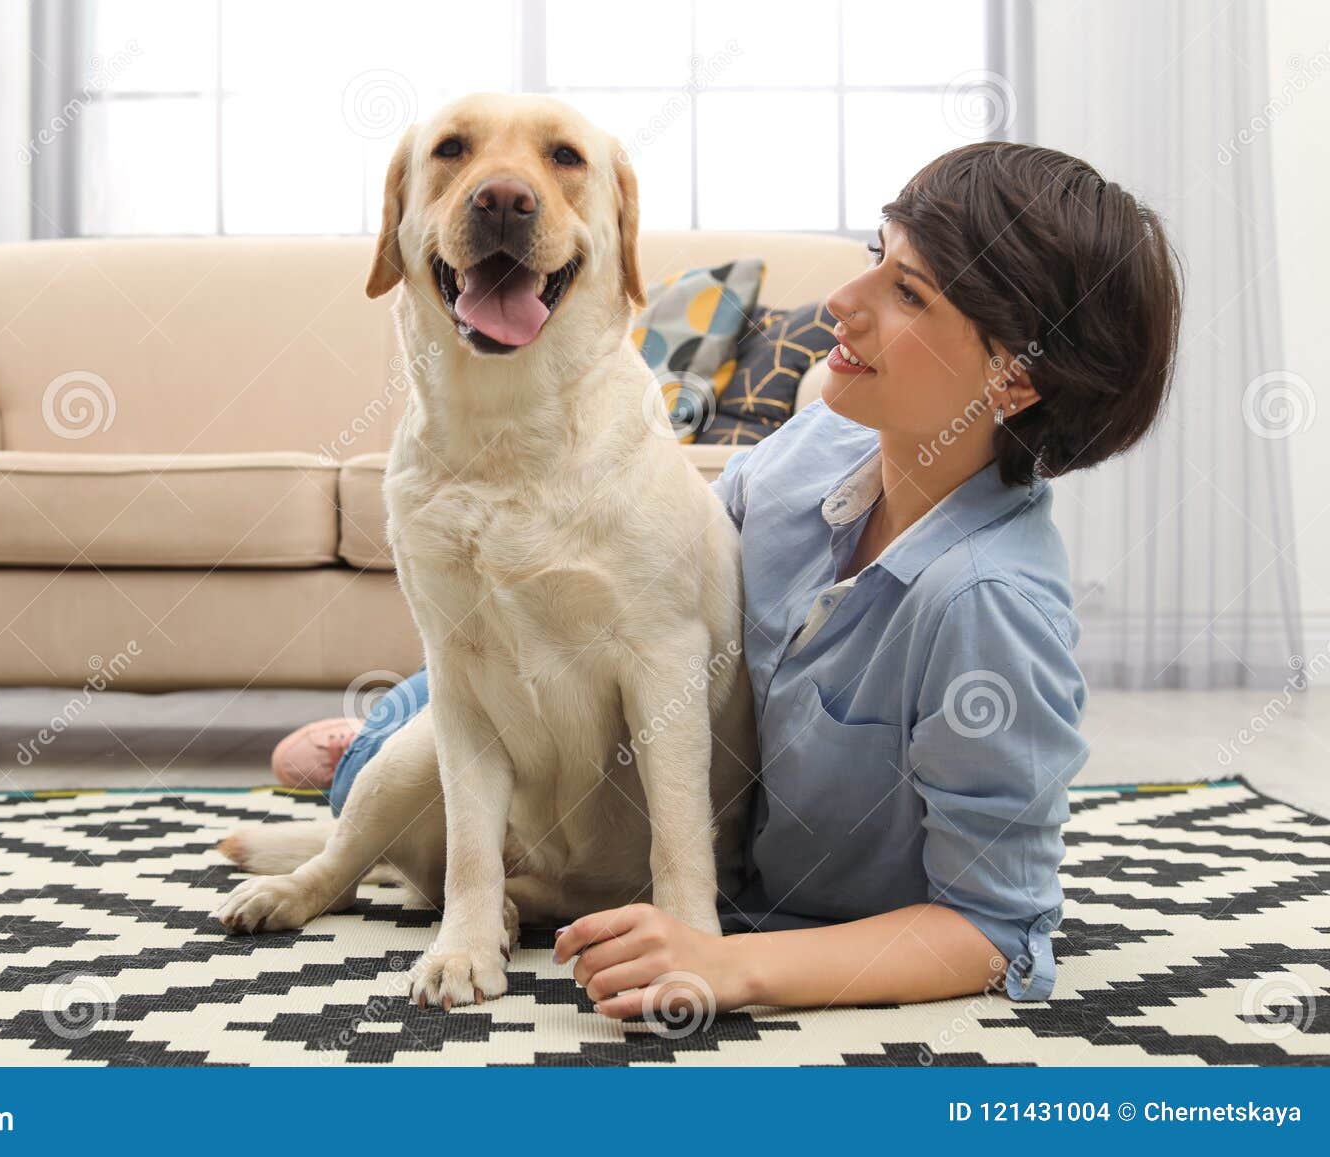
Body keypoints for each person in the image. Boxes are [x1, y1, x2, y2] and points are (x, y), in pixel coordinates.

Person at [268, 141, 1182, 1016]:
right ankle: (376, 736)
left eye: (905, 291)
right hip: (583, 766)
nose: (842, 299)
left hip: (722, 879)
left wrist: (734, 964)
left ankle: (364, 749)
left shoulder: (988, 608)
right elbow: (646, 597)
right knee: (423, 737)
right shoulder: (817, 448)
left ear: (1014, 379)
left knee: (383, 772)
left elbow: (996, 929)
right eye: (875, 256)